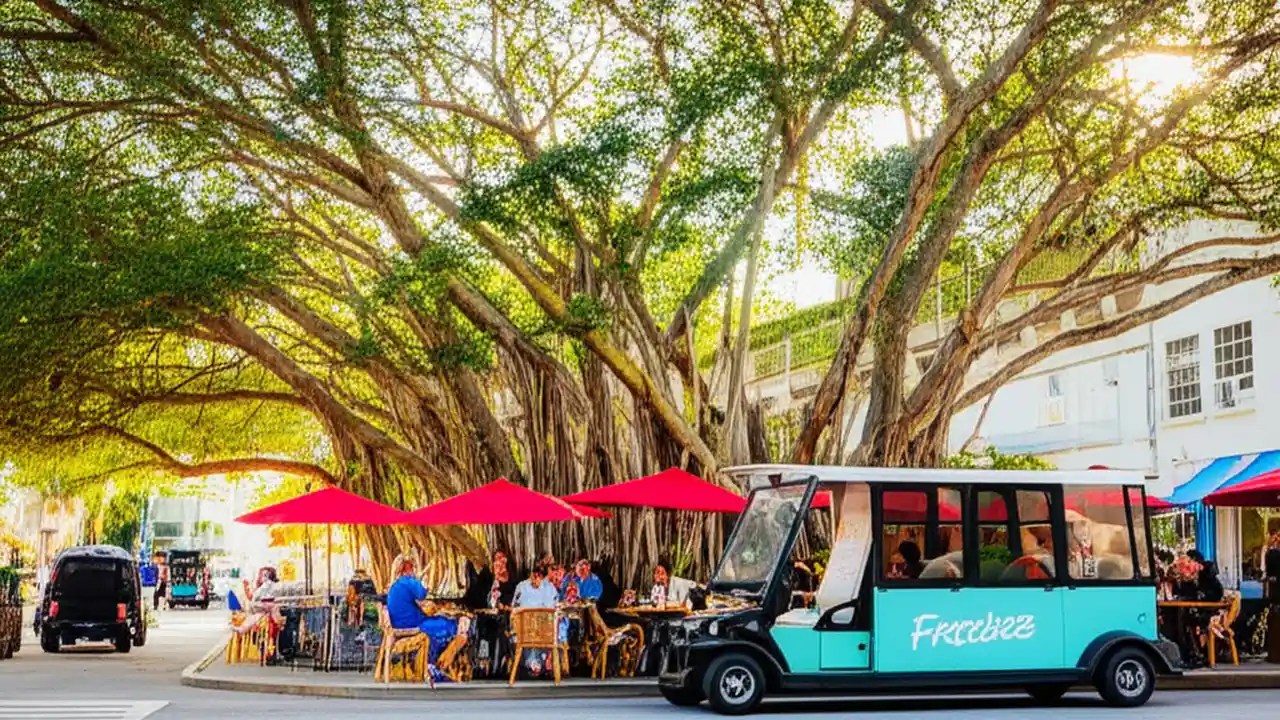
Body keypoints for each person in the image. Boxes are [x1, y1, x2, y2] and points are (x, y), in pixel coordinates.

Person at [385, 550, 433, 633]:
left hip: (396, 623)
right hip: (411, 623)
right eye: (412, 567)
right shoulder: (409, 581)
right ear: (408, 568)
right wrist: (424, 583)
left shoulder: (394, 585)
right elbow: (421, 595)